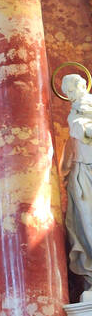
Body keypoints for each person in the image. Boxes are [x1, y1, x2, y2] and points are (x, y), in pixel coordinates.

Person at [60, 71, 92, 298]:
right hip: (82, 172)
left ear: (82, 85)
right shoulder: (73, 113)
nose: (69, 95)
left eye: (71, 89)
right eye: (66, 92)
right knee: (86, 223)